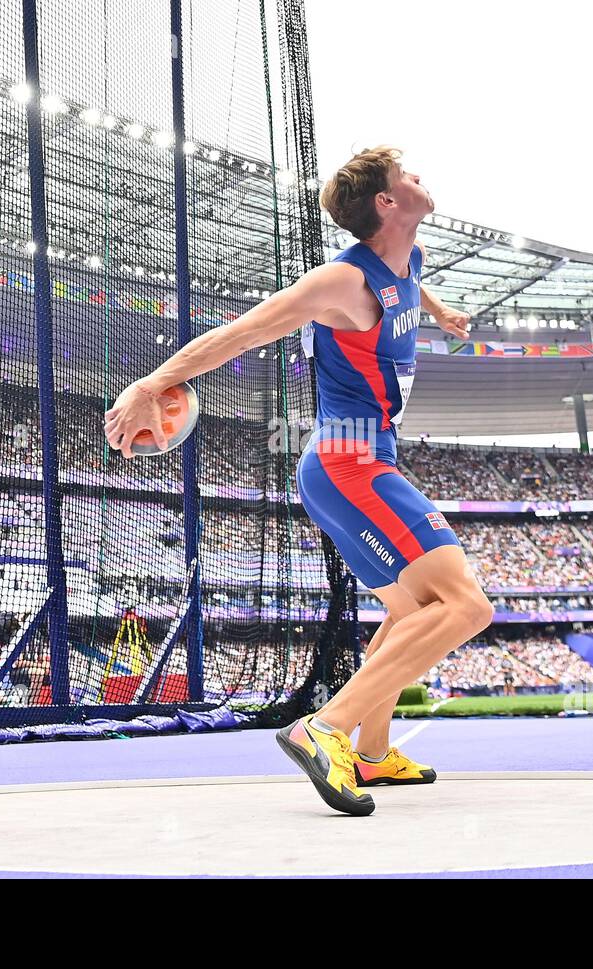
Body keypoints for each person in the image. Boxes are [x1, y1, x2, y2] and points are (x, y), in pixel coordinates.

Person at [107, 146, 492, 816]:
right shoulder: (339, 283)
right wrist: (153, 382)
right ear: (386, 204)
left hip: (356, 463)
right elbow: (242, 331)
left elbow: (412, 285)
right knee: (465, 606)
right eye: (409, 177)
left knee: (410, 612)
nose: (422, 179)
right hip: (349, 463)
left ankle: (372, 753)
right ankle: (325, 728)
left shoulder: (410, 257)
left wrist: (441, 313)